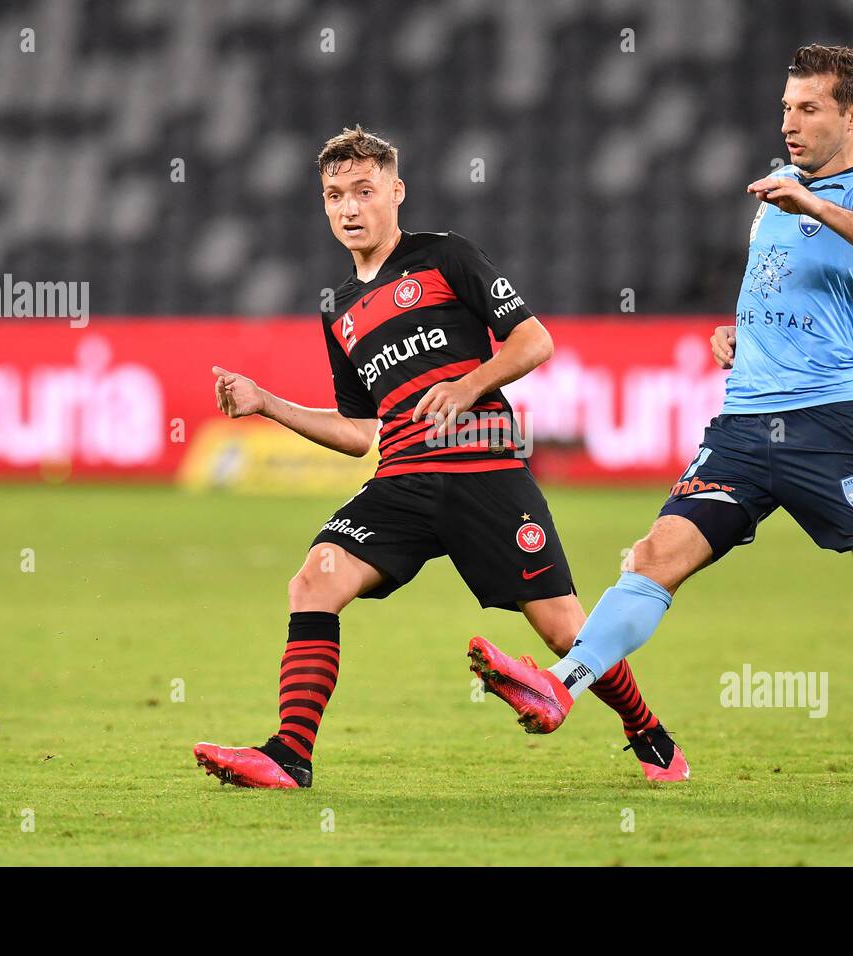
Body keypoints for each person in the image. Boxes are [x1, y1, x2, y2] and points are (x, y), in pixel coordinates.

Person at [468, 46, 853, 785]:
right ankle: (561, 686)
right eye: (786, 107)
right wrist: (741, 337)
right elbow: (785, 292)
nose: (790, 123)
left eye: (809, 109)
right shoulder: (780, 187)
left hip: (829, 424)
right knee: (652, 559)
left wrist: (818, 206)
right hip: (742, 425)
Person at [194, 126, 687, 789]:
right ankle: (290, 755)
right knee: (314, 580)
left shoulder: (445, 256)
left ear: (396, 193)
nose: (348, 208)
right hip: (400, 478)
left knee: (565, 630)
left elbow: (534, 341)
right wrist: (267, 403)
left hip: (482, 468)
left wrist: (469, 383)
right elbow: (356, 431)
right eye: (334, 194)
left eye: (364, 191)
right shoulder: (336, 309)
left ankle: (649, 735)